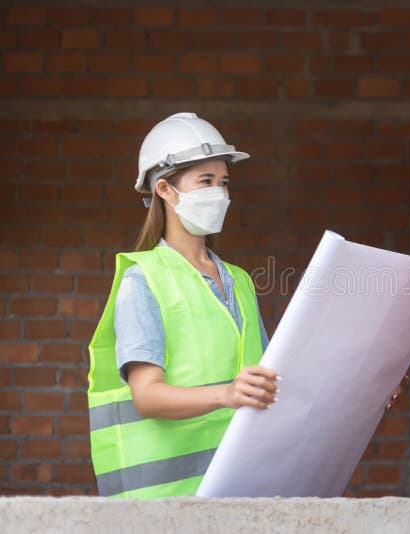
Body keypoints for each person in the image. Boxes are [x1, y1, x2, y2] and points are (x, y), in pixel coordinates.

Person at [87, 113, 279, 498]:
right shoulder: (142, 278)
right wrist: (227, 394)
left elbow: (268, 382)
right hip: (166, 504)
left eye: (224, 182)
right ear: (165, 190)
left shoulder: (239, 281)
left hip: (237, 489)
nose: (220, 193)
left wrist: (363, 388)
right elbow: (147, 395)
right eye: (205, 181)